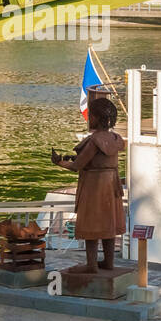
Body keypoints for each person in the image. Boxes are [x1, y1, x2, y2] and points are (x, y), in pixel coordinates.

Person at [52, 95, 125, 272]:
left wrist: (59, 162)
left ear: (97, 118)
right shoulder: (115, 139)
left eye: (91, 115)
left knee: (91, 223)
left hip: (94, 186)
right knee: (108, 224)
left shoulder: (94, 140)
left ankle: (91, 265)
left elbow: (78, 166)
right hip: (111, 186)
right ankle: (109, 262)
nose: (88, 118)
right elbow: (99, 160)